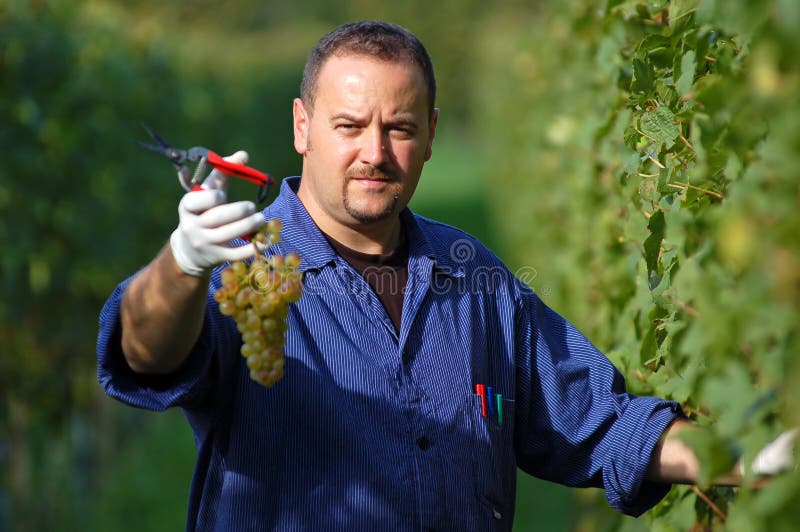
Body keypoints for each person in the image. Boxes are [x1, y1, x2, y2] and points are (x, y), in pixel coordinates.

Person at [97, 20, 796, 531]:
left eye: (399, 128)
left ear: (430, 133)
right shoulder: (241, 271)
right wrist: (181, 266)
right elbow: (146, 353)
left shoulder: (475, 280)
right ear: (302, 126)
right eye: (349, 126)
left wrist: (744, 455)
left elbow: (600, 421)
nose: (375, 152)